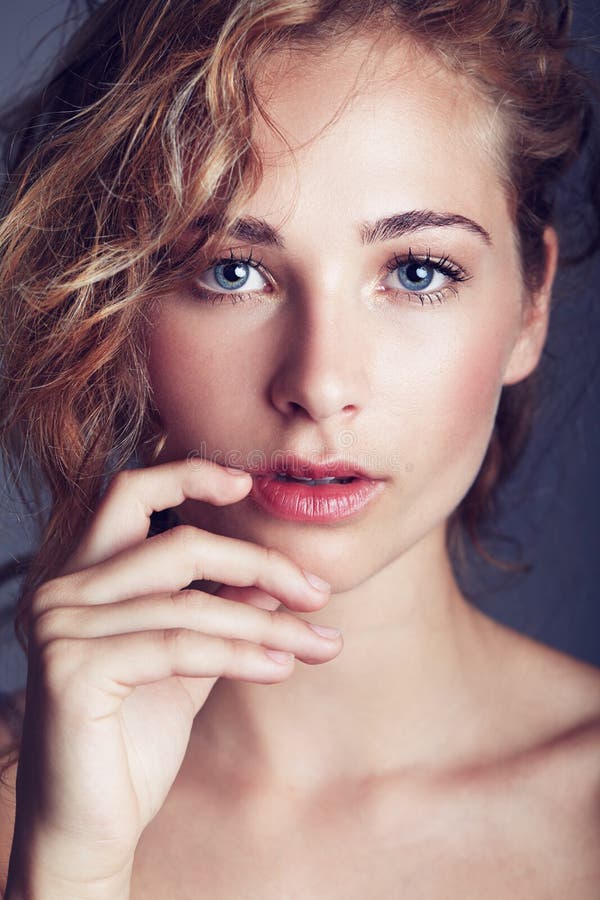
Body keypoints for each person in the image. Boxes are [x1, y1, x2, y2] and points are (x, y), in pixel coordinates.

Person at [1, 0, 599, 896]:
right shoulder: (28, 813)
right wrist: (71, 864)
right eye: (232, 271)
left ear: (530, 306)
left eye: (417, 272)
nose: (319, 384)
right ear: (118, 310)